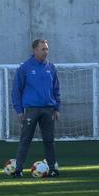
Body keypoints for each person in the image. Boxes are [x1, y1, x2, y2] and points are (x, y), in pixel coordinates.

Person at [10, 39, 61, 178]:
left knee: (49, 140)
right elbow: (16, 90)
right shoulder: (25, 68)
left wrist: (57, 107)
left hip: (48, 109)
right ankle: (18, 169)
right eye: (43, 49)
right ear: (35, 50)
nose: (46, 52)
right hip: (31, 109)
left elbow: (56, 89)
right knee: (25, 139)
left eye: (47, 49)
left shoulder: (51, 67)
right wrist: (19, 110)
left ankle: (53, 169)